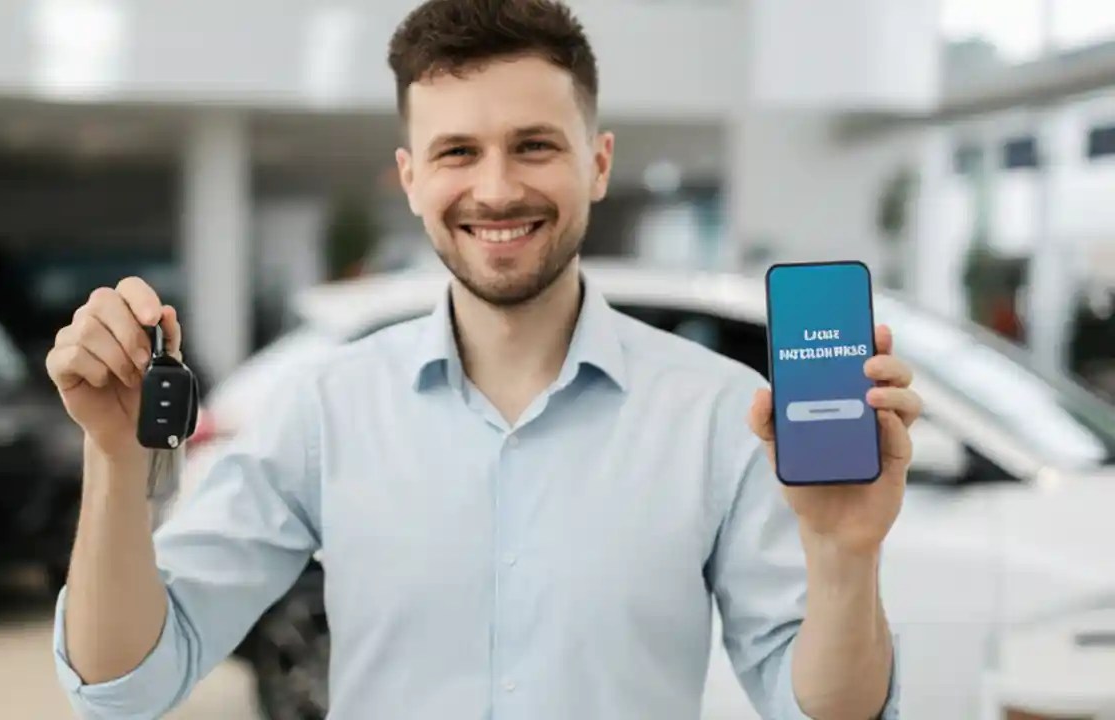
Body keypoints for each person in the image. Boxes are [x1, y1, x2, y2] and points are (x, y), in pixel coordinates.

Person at [46, 1, 920, 718]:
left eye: (534, 145)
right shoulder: (326, 410)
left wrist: (846, 558)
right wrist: (116, 461)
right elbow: (128, 684)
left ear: (598, 162)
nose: (496, 189)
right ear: (412, 176)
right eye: (457, 151)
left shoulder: (723, 415)